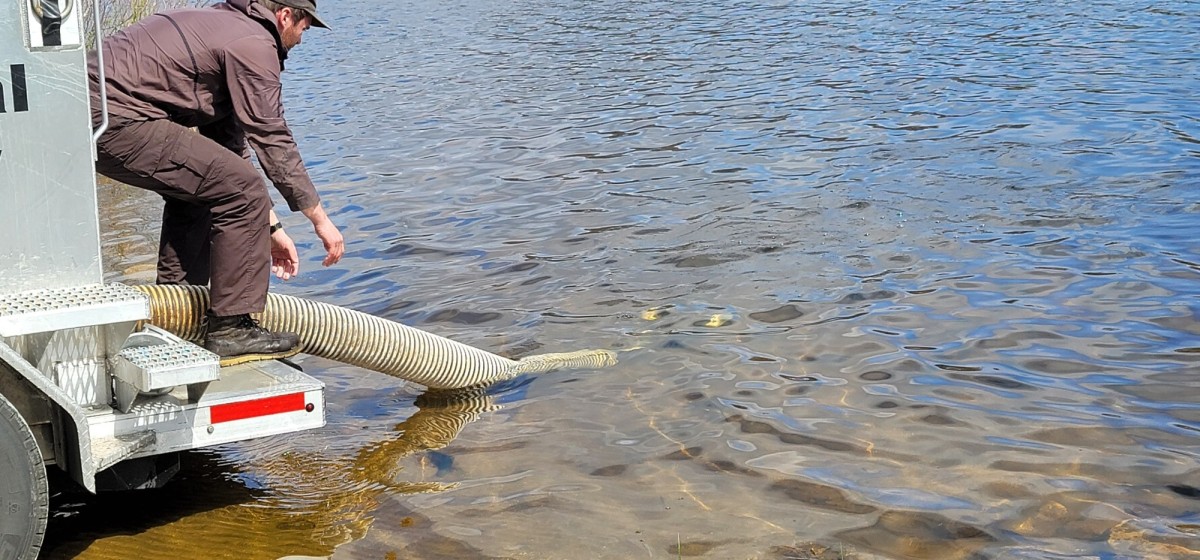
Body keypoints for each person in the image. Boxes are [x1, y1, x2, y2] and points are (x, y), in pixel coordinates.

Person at [88, 0, 344, 365]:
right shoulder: (255, 43)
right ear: (286, 15)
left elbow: (228, 152)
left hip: (87, 112)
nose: (302, 39)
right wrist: (320, 220)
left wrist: (271, 229)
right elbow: (272, 137)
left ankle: (176, 315)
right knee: (241, 189)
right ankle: (231, 329)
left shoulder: (226, 26)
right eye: (304, 28)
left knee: (206, 189)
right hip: (113, 116)